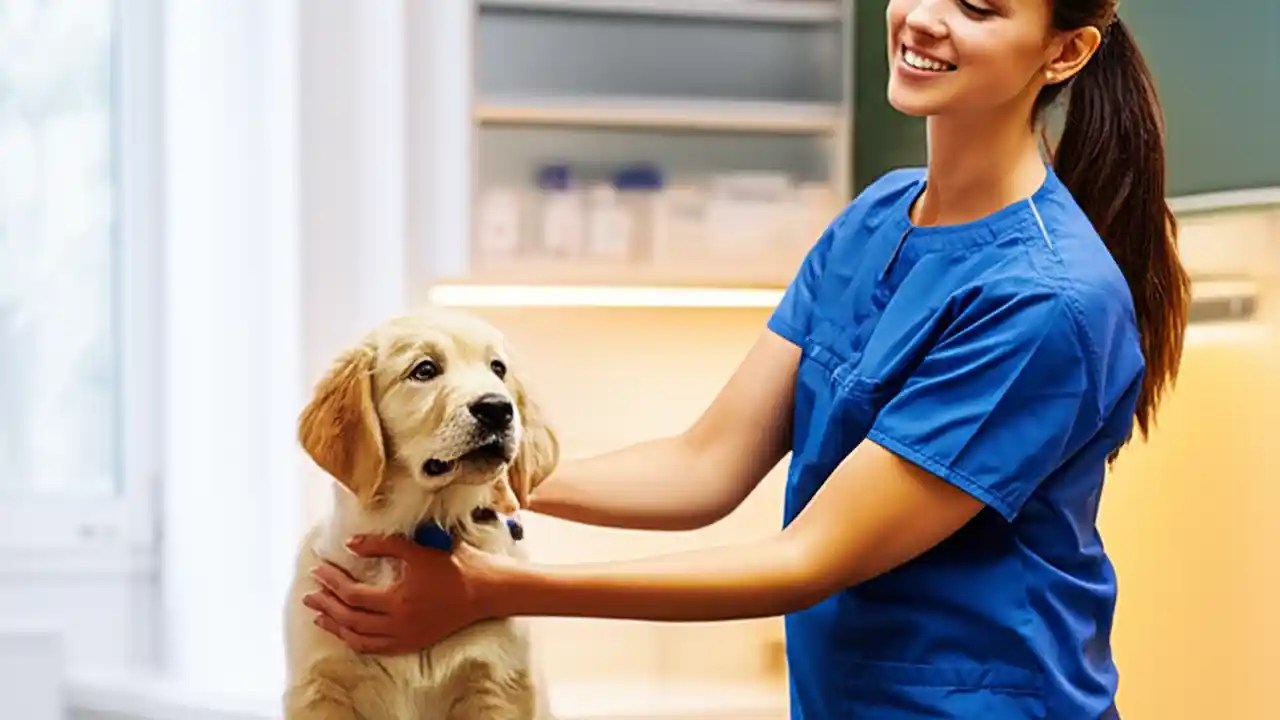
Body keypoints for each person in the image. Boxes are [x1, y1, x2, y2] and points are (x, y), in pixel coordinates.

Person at [303, 1, 1190, 717]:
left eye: (977, 7)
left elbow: (811, 557)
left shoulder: (1046, 301)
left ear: (1065, 52)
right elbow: (705, 465)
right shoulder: (881, 214)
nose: (922, 18)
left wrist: (492, 590)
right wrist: (478, 467)